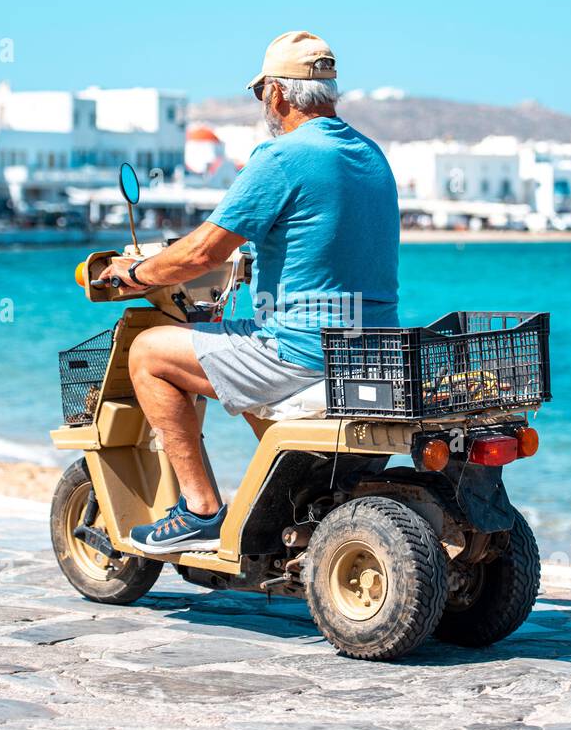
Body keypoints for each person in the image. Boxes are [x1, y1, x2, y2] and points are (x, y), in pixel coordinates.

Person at [98, 31, 400, 554]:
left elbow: (201, 255)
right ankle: (294, 507)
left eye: (262, 93)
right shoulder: (370, 155)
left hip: (302, 351)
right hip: (369, 347)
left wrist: (137, 275)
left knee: (149, 353)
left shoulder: (283, 158)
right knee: (226, 340)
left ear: (278, 95)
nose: (264, 103)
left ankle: (198, 510)